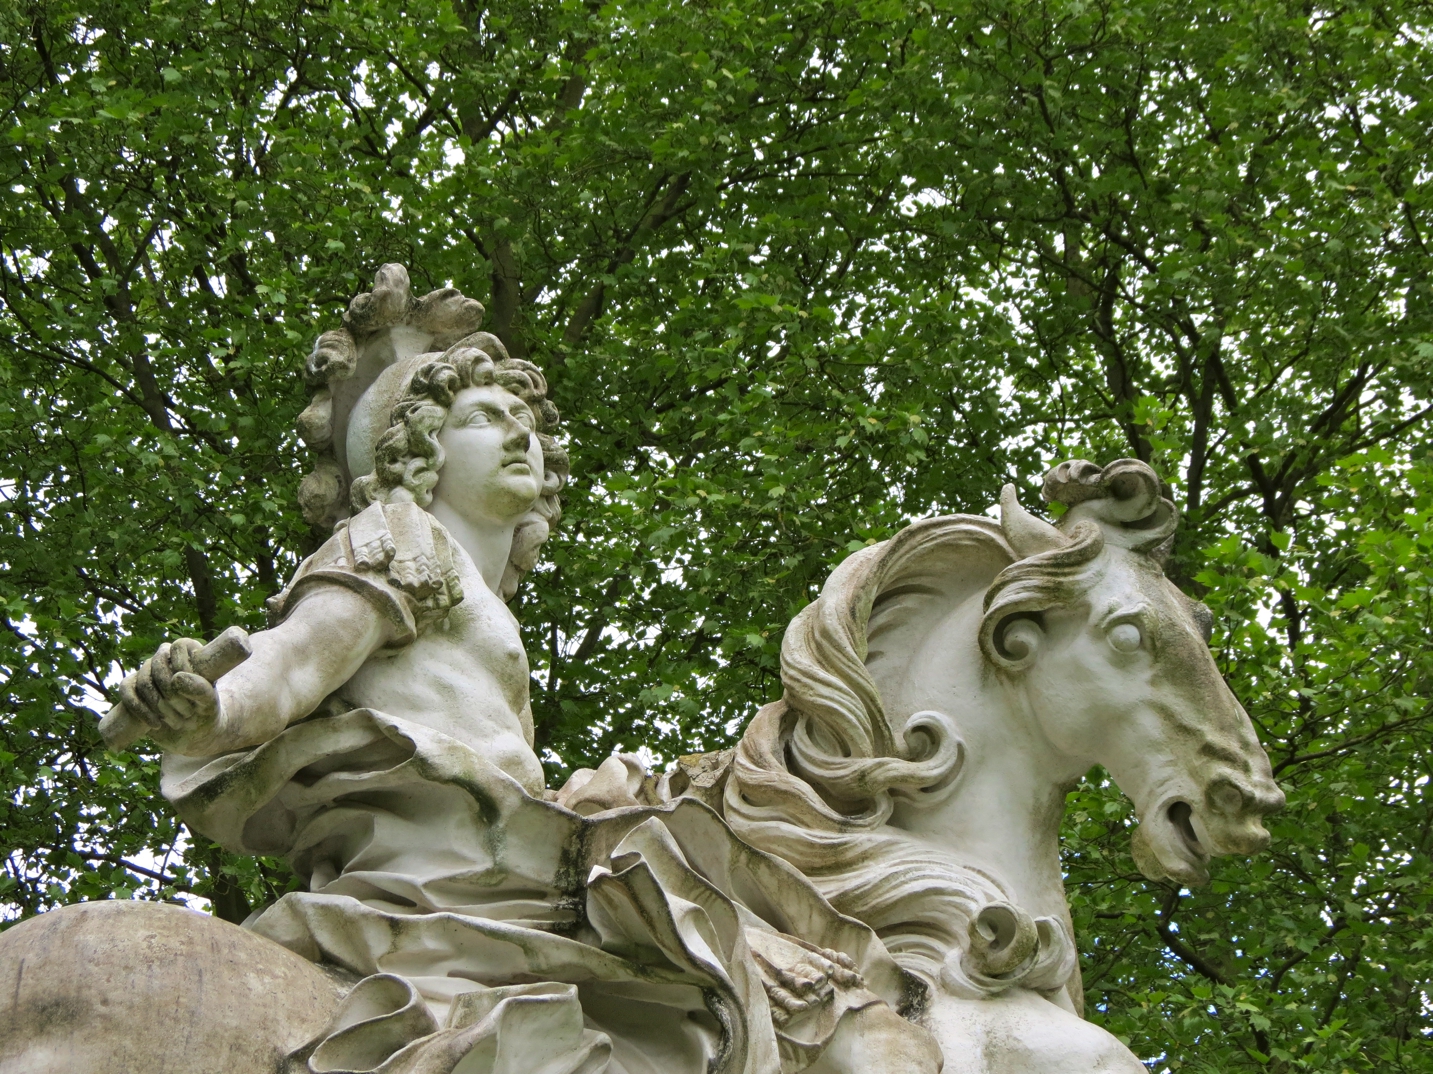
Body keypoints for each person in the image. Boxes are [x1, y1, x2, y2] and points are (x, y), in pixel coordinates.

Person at [119, 330, 941, 1074]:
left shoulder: (486, 607)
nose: (520, 434)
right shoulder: (402, 538)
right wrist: (210, 711)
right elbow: (294, 663)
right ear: (417, 456)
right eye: (483, 418)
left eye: (527, 424)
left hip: (524, 864)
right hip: (456, 876)